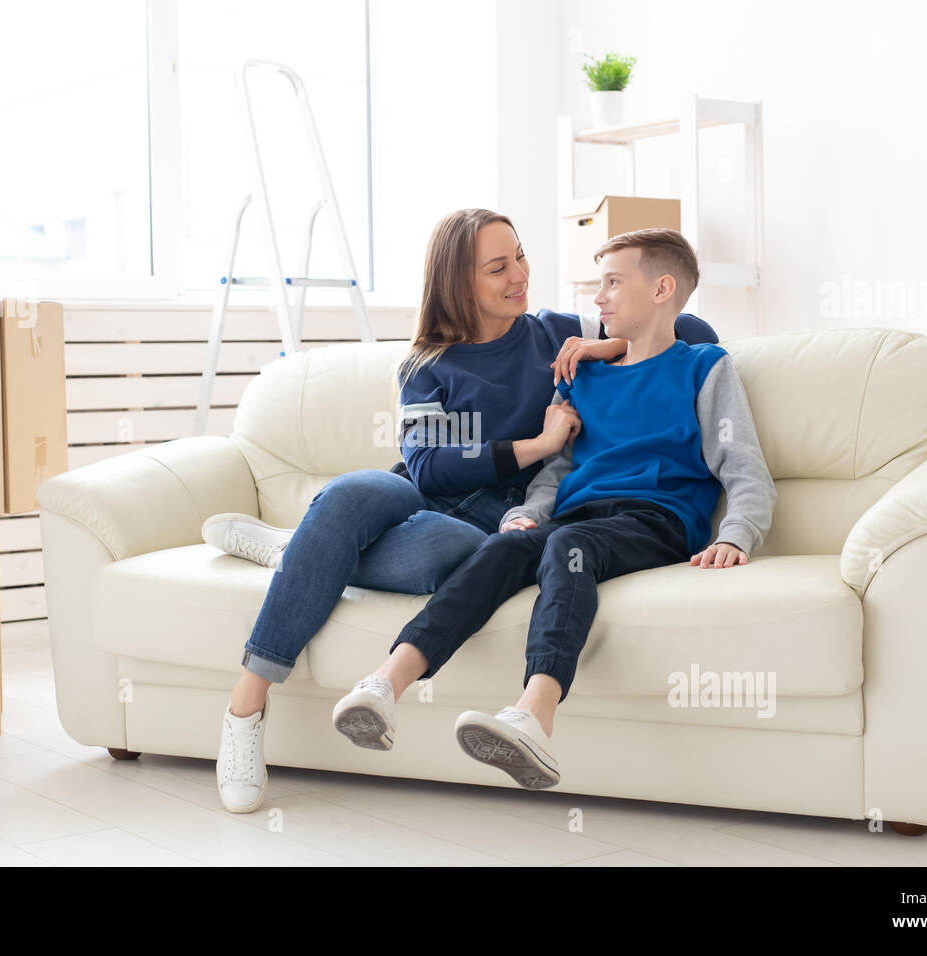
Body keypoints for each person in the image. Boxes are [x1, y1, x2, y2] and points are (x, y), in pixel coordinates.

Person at [201, 209, 718, 812]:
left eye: (520, 256)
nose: (520, 275)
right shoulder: (427, 364)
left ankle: (303, 549)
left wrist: (609, 345)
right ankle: (245, 707)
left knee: (449, 553)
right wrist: (537, 446)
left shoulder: (558, 333)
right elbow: (429, 466)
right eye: (498, 268)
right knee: (346, 497)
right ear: (458, 283)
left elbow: (695, 329)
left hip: (486, 523)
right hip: (416, 495)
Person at [331, 227, 775, 790]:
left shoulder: (705, 365)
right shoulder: (582, 377)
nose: (598, 299)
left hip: (656, 519)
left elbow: (744, 466)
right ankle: (384, 684)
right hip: (577, 516)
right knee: (502, 546)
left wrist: (735, 535)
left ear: (662, 288)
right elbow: (560, 466)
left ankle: (534, 719)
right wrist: (531, 514)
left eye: (613, 283)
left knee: (570, 548)